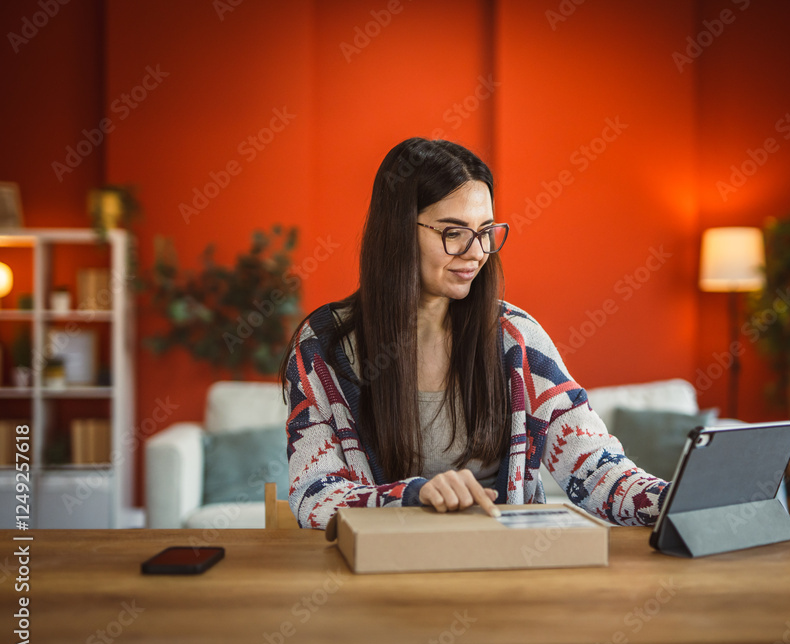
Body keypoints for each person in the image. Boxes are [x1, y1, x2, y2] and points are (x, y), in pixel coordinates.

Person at [279, 137, 668, 530]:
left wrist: (672, 500)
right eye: (453, 232)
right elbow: (315, 494)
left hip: (503, 573)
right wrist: (412, 496)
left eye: (485, 231)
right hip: (379, 573)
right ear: (396, 231)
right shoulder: (321, 347)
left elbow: (598, 472)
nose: (476, 252)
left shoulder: (517, 339)